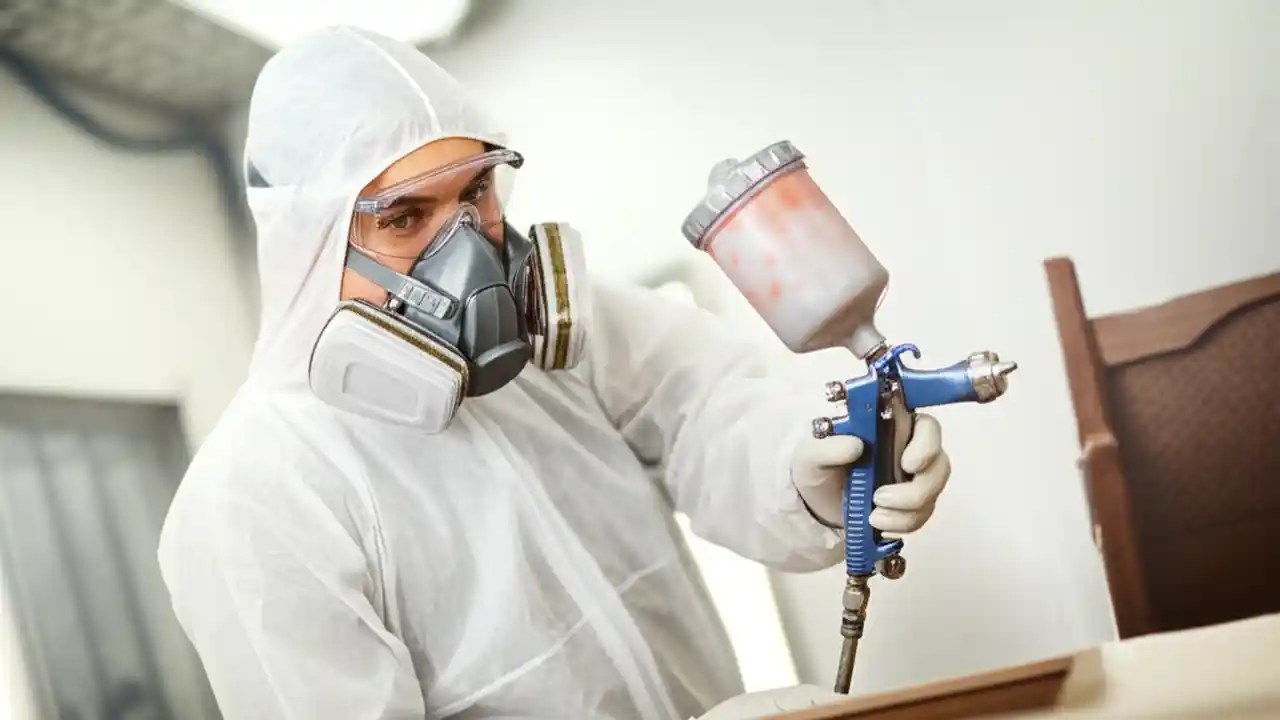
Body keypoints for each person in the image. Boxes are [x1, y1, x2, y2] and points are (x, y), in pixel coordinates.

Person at [157, 26, 952, 720]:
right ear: (309, 242)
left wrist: (807, 472)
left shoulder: (559, 337)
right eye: (405, 218)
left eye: (476, 191)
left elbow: (705, 407)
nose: (467, 249)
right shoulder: (254, 502)